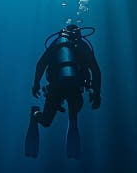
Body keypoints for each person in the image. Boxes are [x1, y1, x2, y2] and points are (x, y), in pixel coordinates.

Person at [25, 24, 102, 159]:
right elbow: (96, 71)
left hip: (56, 87)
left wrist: (36, 84)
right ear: (79, 33)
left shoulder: (57, 43)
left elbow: (41, 64)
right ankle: (72, 118)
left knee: (46, 121)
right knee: (74, 112)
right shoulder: (82, 46)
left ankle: (35, 114)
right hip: (74, 88)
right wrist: (96, 94)